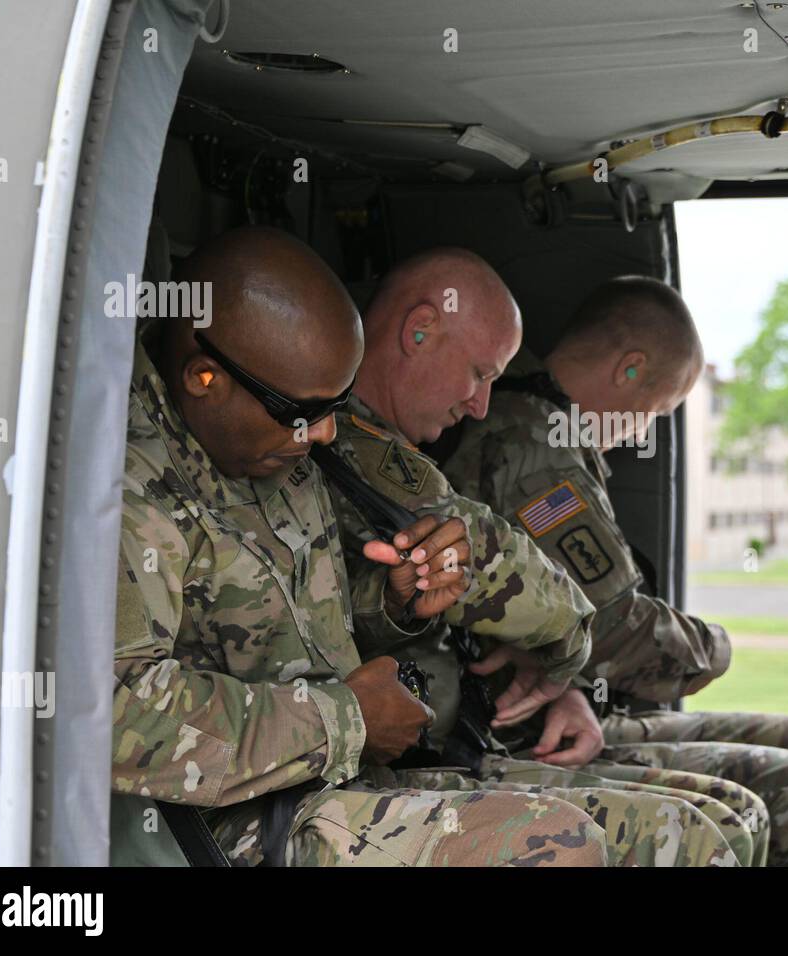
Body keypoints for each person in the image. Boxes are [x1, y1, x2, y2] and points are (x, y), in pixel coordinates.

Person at [111, 226, 611, 867]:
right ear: (204, 377)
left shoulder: (270, 439)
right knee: (558, 847)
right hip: (228, 823)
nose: (323, 433)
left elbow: (280, 637)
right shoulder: (126, 482)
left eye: (337, 407)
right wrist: (345, 720)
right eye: (305, 412)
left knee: (695, 829)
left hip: (331, 784)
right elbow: (117, 715)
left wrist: (395, 605)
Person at [324, 248, 752, 865]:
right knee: (710, 830)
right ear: (419, 330)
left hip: (462, 733)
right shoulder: (358, 452)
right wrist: (573, 650)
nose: (479, 404)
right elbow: (601, 624)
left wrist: (562, 681)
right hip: (414, 755)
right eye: (477, 374)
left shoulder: (387, 453)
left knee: (725, 817)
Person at [444, 274, 788, 866]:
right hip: (514, 733)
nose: (642, 432)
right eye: (654, 412)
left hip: (564, 706)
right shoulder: (532, 447)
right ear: (629, 369)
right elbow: (615, 629)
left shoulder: (542, 426)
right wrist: (715, 650)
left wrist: (574, 686)